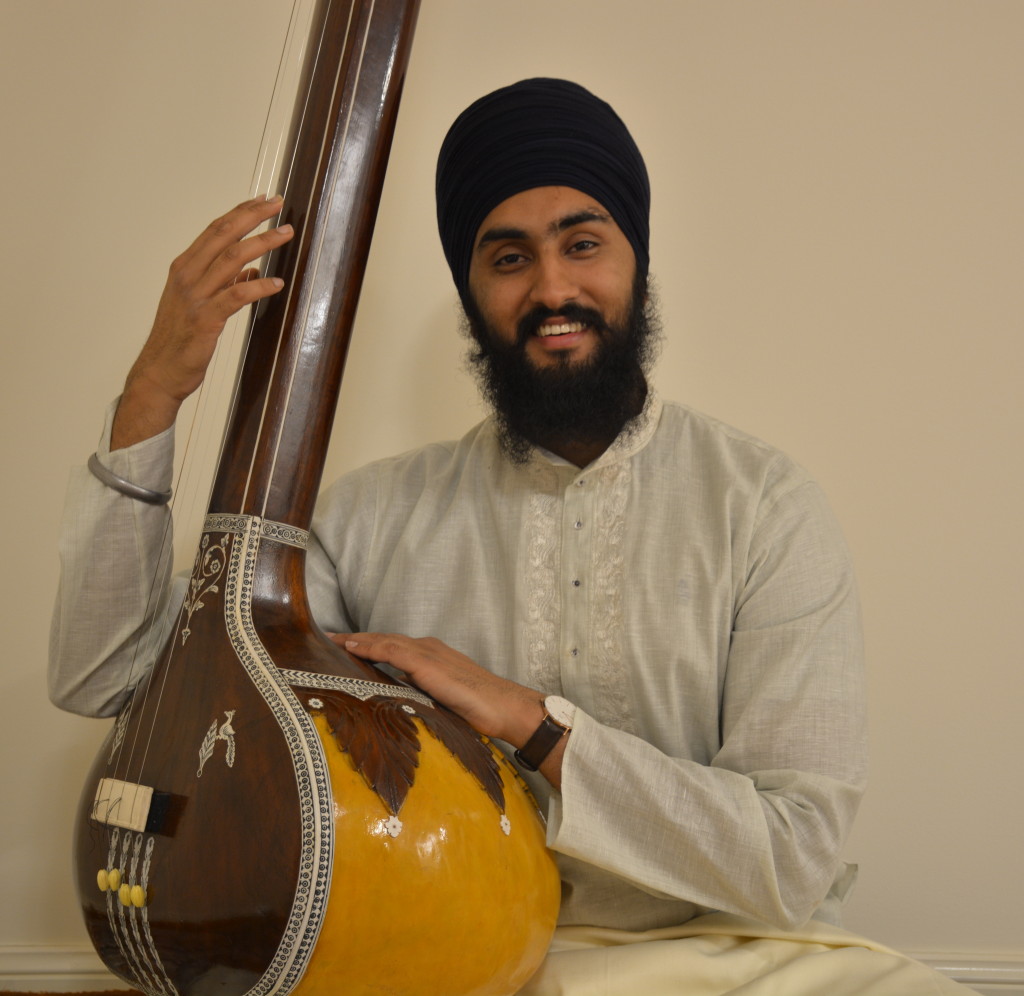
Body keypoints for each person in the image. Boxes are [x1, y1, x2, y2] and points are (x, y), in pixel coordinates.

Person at [50, 79, 971, 994]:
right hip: (451, 954)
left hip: (734, 960)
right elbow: (116, 680)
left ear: (635, 261)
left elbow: (793, 858)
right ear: (470, 288)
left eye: (583, 244)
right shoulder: (364, 521)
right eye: (509, 258)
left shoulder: (763, 509)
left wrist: (532, 726)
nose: (554, 289)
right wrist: (151, 397)